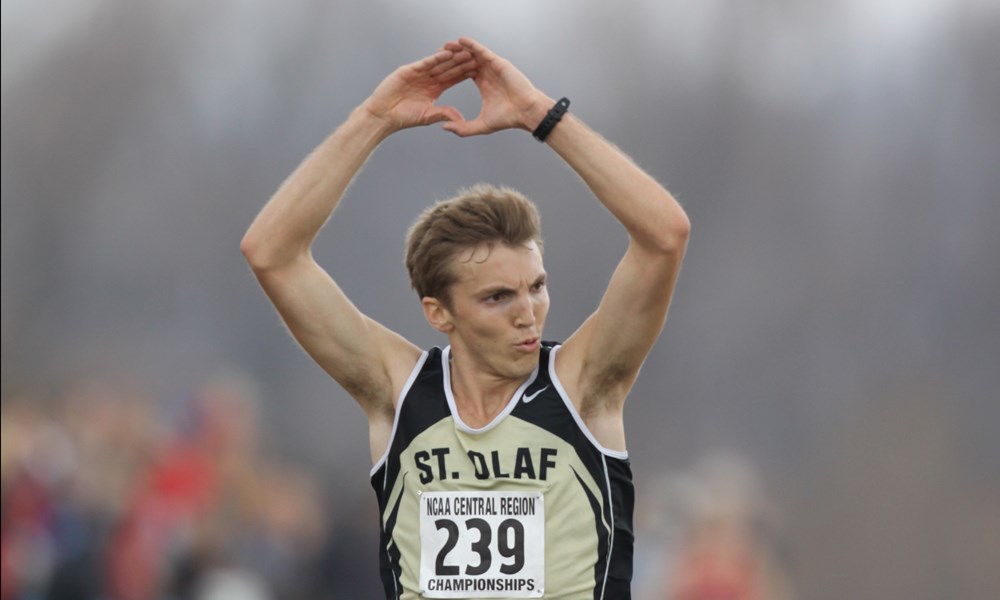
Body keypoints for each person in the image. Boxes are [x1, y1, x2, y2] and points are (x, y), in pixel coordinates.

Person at [241, 37, 690, 599]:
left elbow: (664, 236)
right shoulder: (396, 392)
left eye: (537, 287)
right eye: (499, 297)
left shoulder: (585, 385)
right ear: (438, 312)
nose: (529, 314)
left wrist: (540, 117)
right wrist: (374, 119)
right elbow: (271, 253)